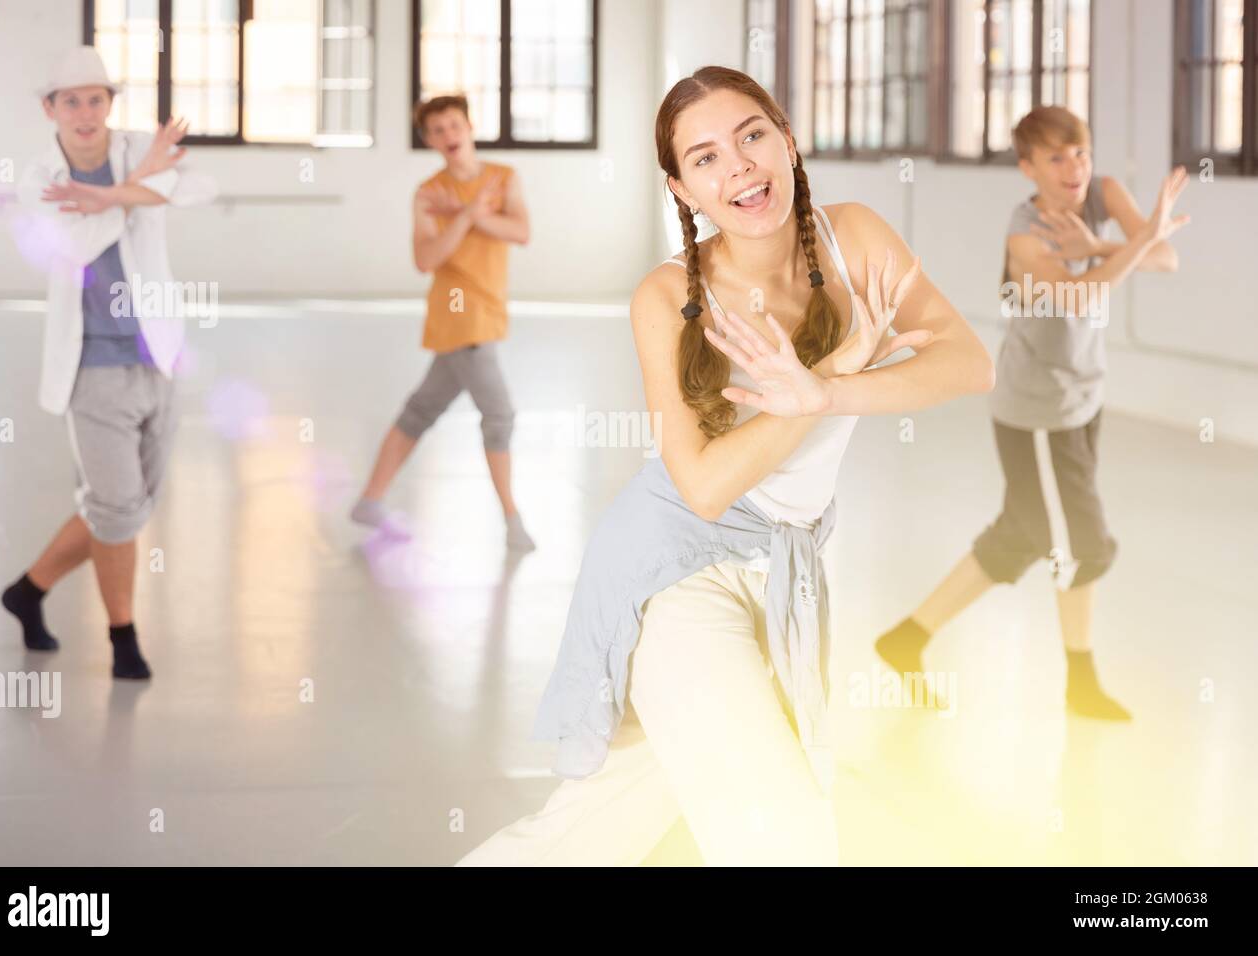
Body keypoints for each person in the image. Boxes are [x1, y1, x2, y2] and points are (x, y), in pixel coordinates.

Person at [457, 66, 994, 866]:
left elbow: (968, 363)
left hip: (785, 569)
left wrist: (826, 389)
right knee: (783, 837)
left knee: (587, 835)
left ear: (788, 139)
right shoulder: (668, 295)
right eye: (705, 157)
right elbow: (703, 486)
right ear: (682, 189)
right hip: (677, 576)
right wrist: (819, 388)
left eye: (751, 136)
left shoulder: (858, 238)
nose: (738, 166)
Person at [875, 106, 1189, 721]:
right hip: (1037, 413)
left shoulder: (1103, 195)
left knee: (1022, 535)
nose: (1074, 168)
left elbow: (1164, 261)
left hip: (1083, 400)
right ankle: (1081, 683)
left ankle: (905, 639)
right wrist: (1141, 238)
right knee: (1082, 545)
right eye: (1055, 158)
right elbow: (1089, 289)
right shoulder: (1025, 234)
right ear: (1028, 168)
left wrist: (1106, 241)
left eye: (1081, 153)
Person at [0, 45, 217, 679]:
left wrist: (130, 183)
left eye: (97, 99)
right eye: (72, 101)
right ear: (51, 109)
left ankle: (28, 590)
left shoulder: (133, 151)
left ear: (109, 105)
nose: (86, 112)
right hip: (91, 364)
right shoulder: (38, 177)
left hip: (158, 353)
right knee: (119, 510)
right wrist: (140, 189)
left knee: (127, 504)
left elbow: (196, 188)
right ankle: (123, 637)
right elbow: (83, 240)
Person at [351, 94, 535, 551]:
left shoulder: (503, 178)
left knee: (421, 410)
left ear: (469, 127)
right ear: (429, 140)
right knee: (499, 414)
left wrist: (467, 215)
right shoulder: (429, 193)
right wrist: (469, 215)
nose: (448, 136)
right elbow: (426, 258)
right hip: (458, 314)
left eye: (454, 125)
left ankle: (370, 501)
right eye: (437, 131)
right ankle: (512, 519)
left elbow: (521, 232)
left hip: (488, 310)